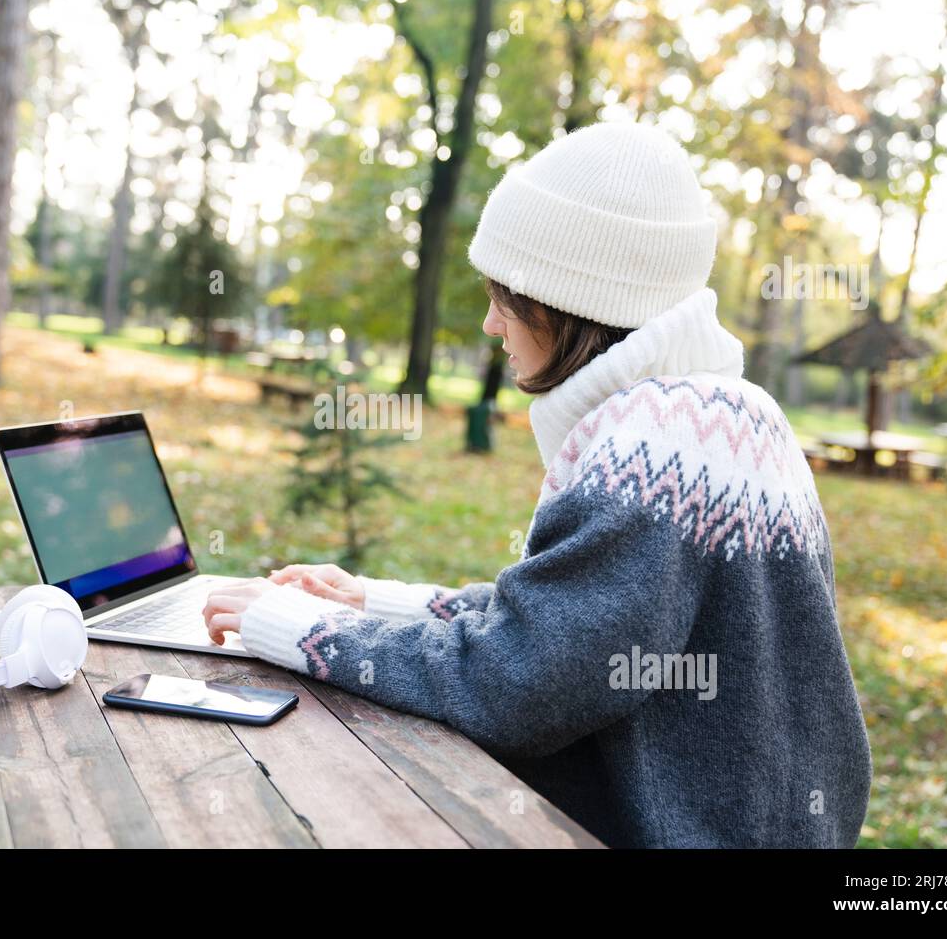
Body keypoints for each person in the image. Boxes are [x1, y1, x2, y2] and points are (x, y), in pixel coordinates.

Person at [202, 120, 872, 848]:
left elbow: (521, 683)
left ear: (561, 299)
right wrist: (373, 601)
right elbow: (568, 624)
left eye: (504, 295)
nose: (492, 322)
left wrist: (299, 629)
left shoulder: (653, 443)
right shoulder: (733, 413)